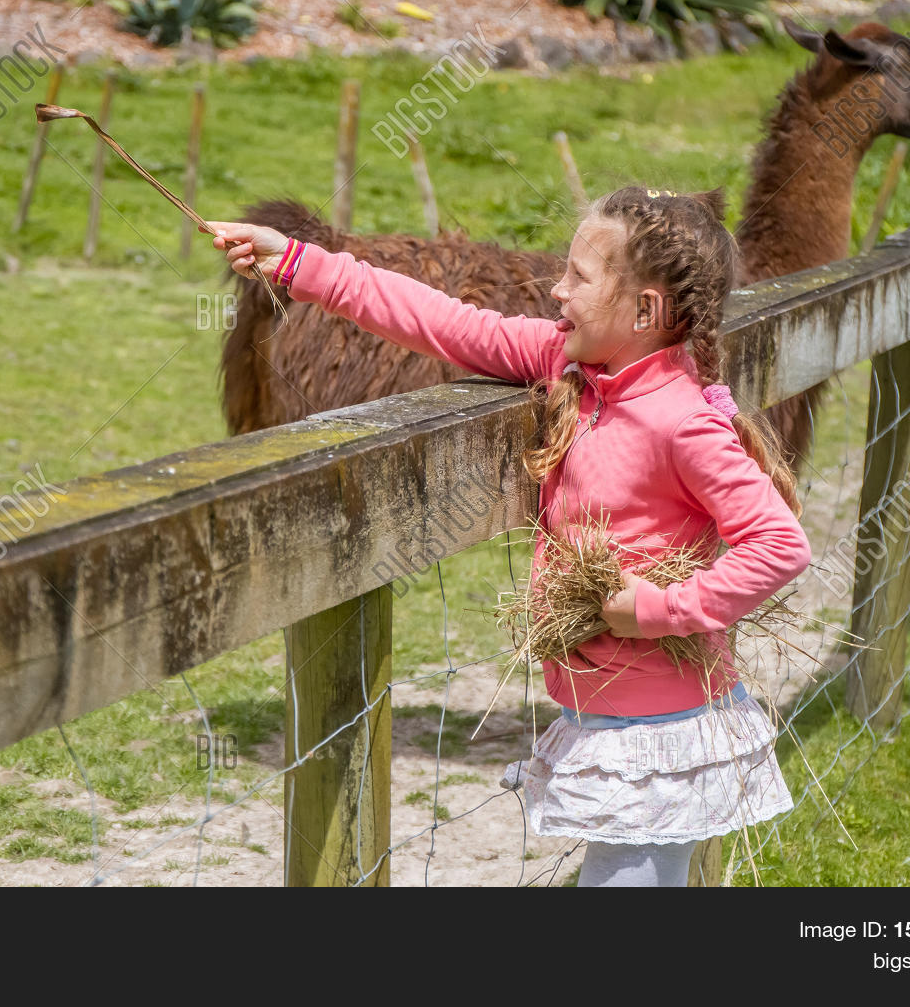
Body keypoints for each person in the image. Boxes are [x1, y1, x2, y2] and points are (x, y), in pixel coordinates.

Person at [206, 186, 812, 887]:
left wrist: (659, 610)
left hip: (656, 731)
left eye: (579, 280)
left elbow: (779, 544)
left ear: (645, 310)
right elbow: (441, 321)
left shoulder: (683, 422)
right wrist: (300, 266)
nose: (556, 291)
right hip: (609, 714)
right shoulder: (571, 367)